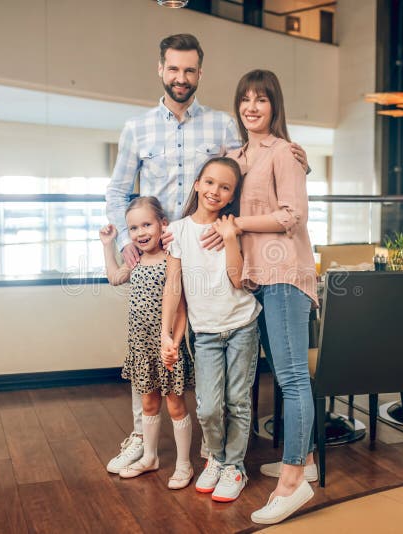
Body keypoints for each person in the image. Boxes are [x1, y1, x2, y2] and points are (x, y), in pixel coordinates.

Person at [104, 33, 308, 474]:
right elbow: (118, 191)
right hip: (156, 259)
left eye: (189, 70)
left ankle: (212, 451)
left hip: (211, 254)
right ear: (161, 69)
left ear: (200, 73)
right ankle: (143, 440)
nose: (181, 77)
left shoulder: (221, 126)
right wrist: (125, 241)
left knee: (204, 345)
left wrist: (298, 158)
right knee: (150, 347)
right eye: (173, 69)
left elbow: (248, 168)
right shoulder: (137, 128)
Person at [203, 70, 318, 524]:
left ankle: (292, 481)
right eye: (245, 99)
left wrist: (236, 226)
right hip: (256, 277)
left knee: (292, 378)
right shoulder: (235, 158)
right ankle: (306, 460)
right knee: (284, 375)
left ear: (274, 106)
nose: (252, 107)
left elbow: (292, 215)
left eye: (261, 99)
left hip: (285, 273)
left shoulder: (284, 153)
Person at [161, 156, 261, 503]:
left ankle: (234, 467)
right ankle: (215, 458)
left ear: (232, 195)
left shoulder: (234, 227)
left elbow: (239, 280)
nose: (215, 191)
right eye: (209, 182)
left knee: (237, 401)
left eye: (225, 187)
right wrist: (166, 334)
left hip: (242, 325)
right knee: (207, 407)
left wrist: (230, 237)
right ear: (197, 185)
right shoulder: (178, 231)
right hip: (204, 333)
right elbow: (173, 285)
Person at [99, 197, 195, 490]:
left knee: (175, 405)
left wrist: (174, 344)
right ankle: (150, 457)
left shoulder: (172, 260)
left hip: (167, 348)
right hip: (141, 348)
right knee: (148, 404)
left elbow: (182, 310)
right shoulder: (136, 260)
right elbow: (114, 277)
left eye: (146, 225)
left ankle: (184, 464)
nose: (140, 233)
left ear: (163, 224)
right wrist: (108, 245)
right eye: (133, 228)